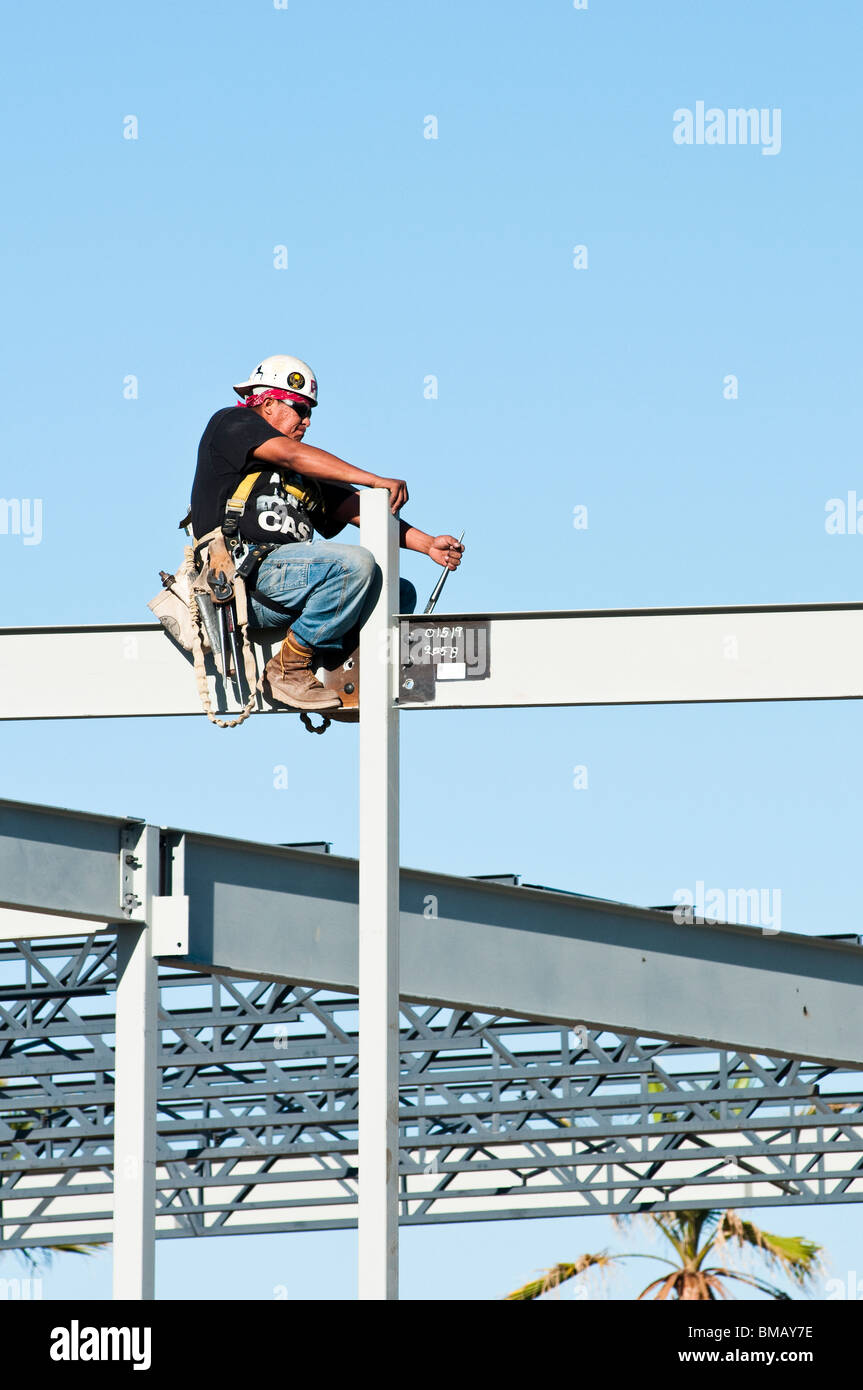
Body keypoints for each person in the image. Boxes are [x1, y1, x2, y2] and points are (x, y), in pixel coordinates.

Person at [190, 354, 465, 711]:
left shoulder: (304, 475)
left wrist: (427, 544)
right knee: (354, 565)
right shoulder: (232, 423)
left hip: (294, 586)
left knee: (398, 593)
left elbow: (354, 509)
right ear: (268, 403)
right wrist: (374, 480)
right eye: (299, 408)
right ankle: (288, 669)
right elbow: (291, 454)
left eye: (309, 414)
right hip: (244, 581)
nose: (306, 421)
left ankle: (344, 671)